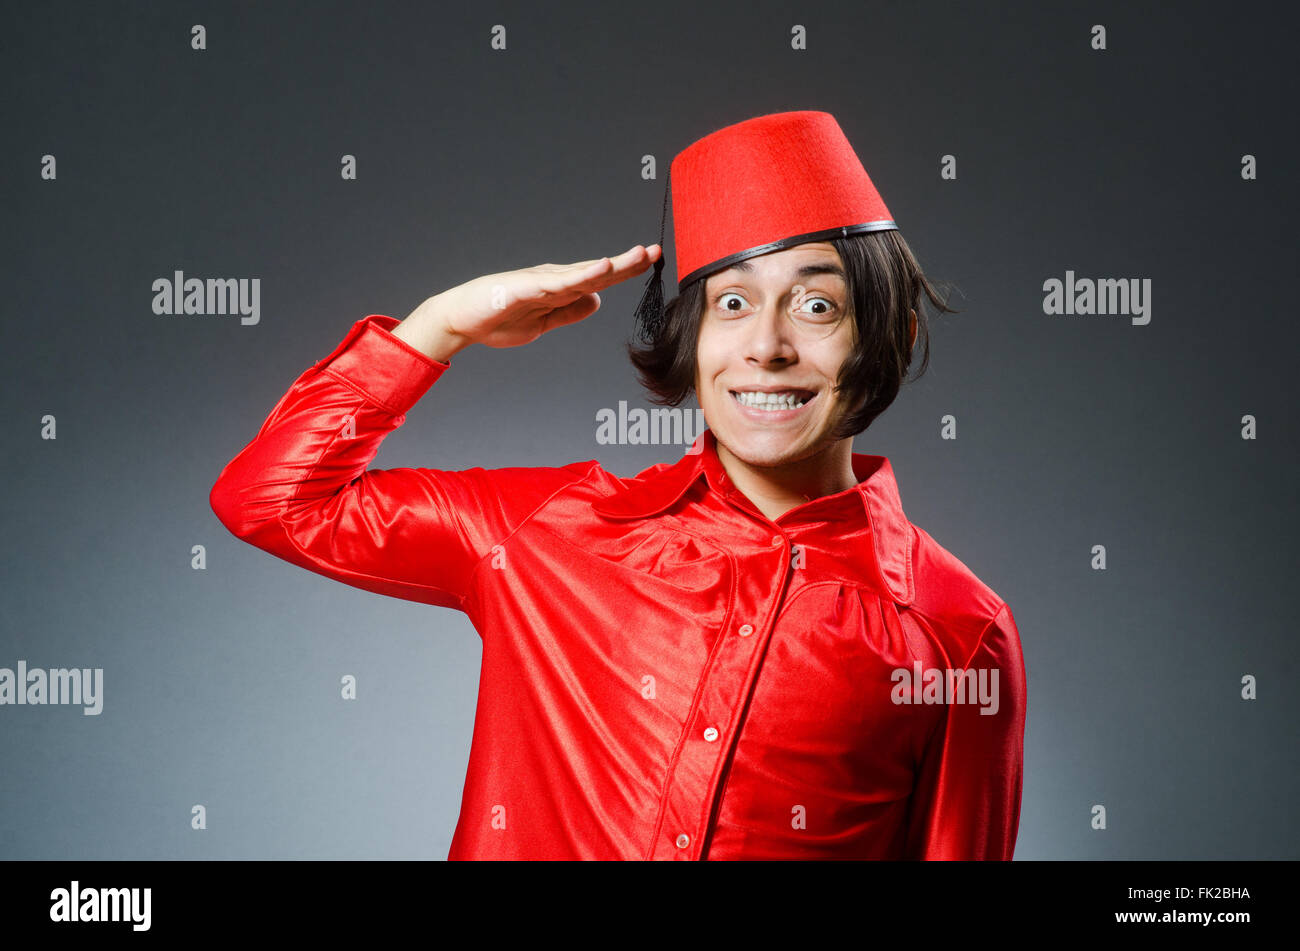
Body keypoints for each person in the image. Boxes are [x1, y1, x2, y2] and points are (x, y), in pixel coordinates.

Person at [210, 110, 1026, 860]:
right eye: (732, 303)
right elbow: (273, 499)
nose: (767, 346)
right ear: (693, 336)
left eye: (817, 306)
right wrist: (440, 324)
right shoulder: (549, 531)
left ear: (893, 332)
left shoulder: (959, 633)